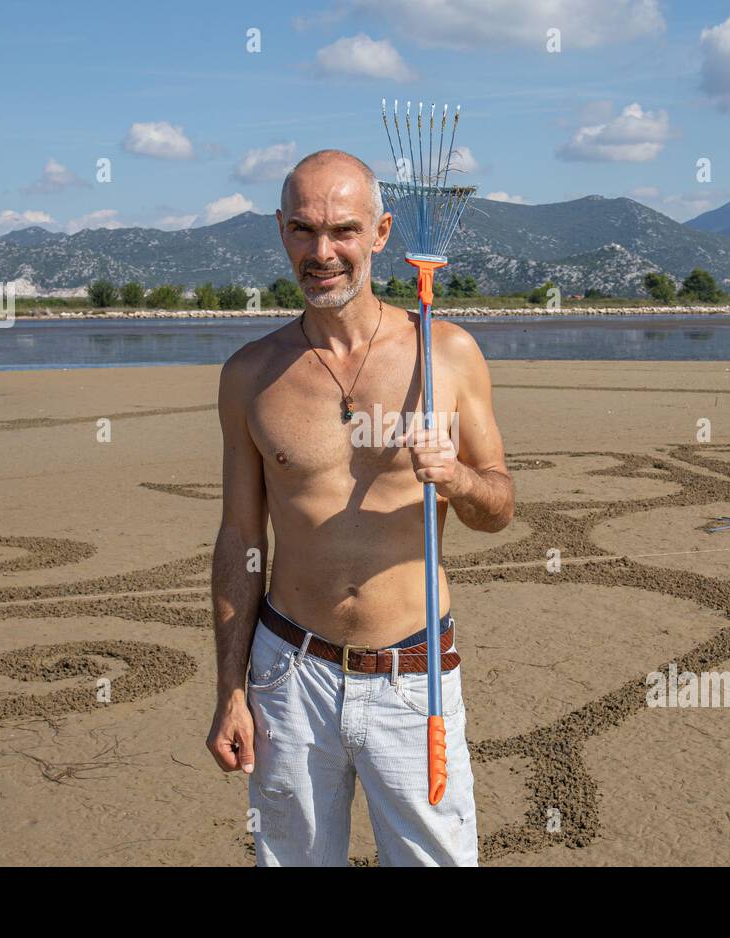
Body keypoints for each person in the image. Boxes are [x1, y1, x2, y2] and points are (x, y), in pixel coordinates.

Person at [205, 149, 514, 866]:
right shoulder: (250, 376)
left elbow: (498, 507)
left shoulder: (449, 354)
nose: (323, 252)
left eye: (344, 231)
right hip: (288, 674)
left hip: (415, 675)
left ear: (380, 234)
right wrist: (231, 689)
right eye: (304, 231)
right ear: (281, 231)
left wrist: (459, 479)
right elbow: (239, 539)